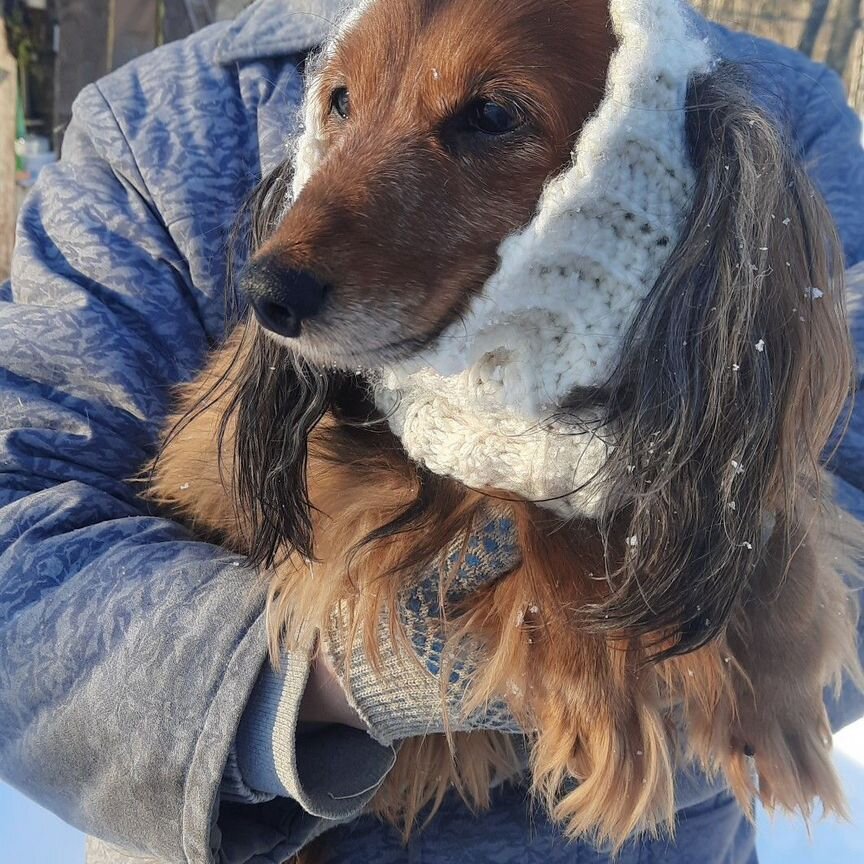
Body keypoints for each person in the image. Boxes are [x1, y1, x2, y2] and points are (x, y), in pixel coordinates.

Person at [1, 1, 863, 863]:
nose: (299, 235)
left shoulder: (777, 106)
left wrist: (768, 613)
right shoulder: (155, 120)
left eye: (491, 117)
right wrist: (332, 678)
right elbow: (22, 538)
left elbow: (845, 460)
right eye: (339, 104)